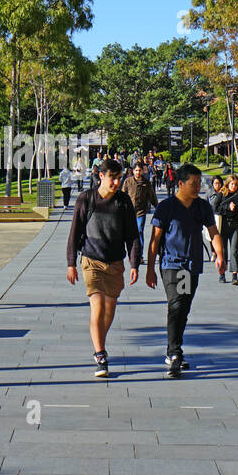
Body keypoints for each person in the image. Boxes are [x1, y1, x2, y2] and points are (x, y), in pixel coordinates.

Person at [147, 163, 224, 378]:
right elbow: (155, 240)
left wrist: (220, 255)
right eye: (193, 183)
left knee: (184, 307)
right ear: (180, 184)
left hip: (191, 265)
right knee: (177, 304)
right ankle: (174, 354)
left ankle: (175, 348)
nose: (198, 187)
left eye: (200, 183)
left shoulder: (202, 207)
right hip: (172, 264)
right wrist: (150, 268)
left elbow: (213, 232)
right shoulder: (167, 207)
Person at [67, 158, 141, 378]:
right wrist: (71, 263)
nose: (116, 182)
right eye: (112, 178)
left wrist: (134, 263)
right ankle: (100, 354)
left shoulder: (123, 201)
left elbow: (133, 236)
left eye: (119, 178)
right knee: (98, 307)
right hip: (91, 261)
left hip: (115, 262)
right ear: (101, 176)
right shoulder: (86, 199)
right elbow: (74, 233)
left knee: (109, 311)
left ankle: (99, 340)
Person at [217, 174, 238, 285]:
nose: (234, 186)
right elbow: (214, 208)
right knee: (223, 251)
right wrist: (227, 208)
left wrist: (236, 209)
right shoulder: (222, 194)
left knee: (234, 250)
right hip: (223, 226)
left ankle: (235, 275)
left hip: (234, 226)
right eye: (232, 184)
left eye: (236, 185)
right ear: (228, 184)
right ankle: (222, 274)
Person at [121, 161, 159, 241]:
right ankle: (132, 250)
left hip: (141, 211)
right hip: (129, 211)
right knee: (129, 232)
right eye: (136, 170)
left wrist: (158, 207)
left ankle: (140, 251)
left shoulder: (147, 183)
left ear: (142, 171)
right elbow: (122, 195)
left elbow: (152, 196)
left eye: (139, 170)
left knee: (140, 230)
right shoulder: (128, 181)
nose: (138, 172)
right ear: (133, 171)